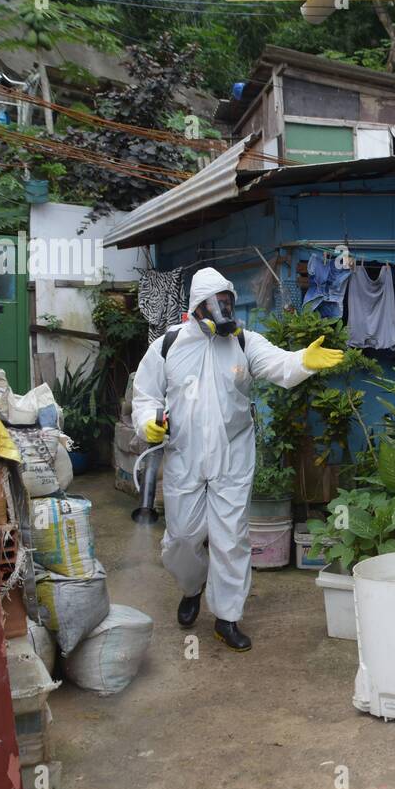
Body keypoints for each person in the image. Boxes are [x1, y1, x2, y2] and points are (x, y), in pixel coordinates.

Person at [132, 267, 344, 652]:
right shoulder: (168, 345)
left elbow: (279, 364)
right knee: (182, 538)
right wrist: (149, 423)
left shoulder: (244, 342)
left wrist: (304, 361)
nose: (224, 310)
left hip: (233, 456)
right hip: (185, 457)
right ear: (198, 308)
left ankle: (227, 617)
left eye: (227, 302)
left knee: (231, 540)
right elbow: (145, 394)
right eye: (216, 304)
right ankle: (191, 585)